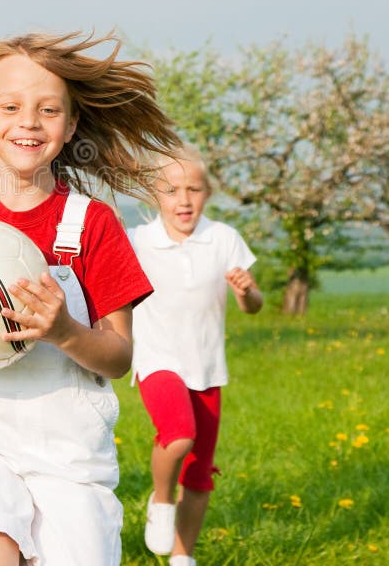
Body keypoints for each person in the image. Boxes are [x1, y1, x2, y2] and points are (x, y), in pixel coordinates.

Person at [0, 30, 182, 566]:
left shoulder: (92, 224)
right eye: (11, 106)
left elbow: (119, 358)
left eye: (48, 110)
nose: (28, 121)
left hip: (71, 457)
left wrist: (65, 332)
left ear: (68, 127)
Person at [128, 144, 264, 566]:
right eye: (171, 190)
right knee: (178, 434)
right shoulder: (138, 241)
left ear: (207, 193)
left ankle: (183, 557)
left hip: (206, 367)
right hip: (157, 360)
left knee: (201, 473)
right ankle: (162, 499)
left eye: (194, 189)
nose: (183, 199)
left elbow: (255, 303)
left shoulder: (223, 238)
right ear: (155, 197)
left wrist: (246, 291)